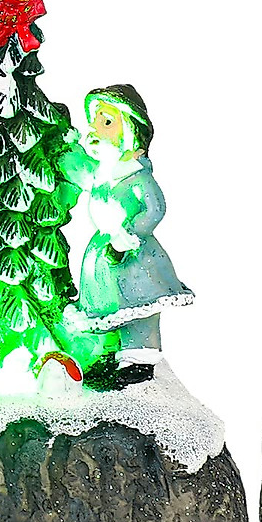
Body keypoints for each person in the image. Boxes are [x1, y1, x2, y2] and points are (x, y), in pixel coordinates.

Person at [62, 85, 193, 388]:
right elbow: (78, 171)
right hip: (104, 254)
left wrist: (130, 235)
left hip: (134, 255)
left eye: (106, 122)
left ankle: (140, 360)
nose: (96, 130)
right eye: (95, 122)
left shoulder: (136, 176)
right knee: (109, 308)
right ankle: (111, 355)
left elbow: (154, 208)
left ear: (130, 129)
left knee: (138, 308)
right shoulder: (103, 173)